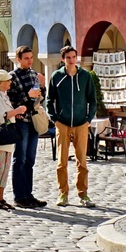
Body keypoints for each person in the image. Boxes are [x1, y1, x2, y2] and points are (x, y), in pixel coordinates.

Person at [47, 46, 97, 207]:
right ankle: (63, 193)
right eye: (68, 57)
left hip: (81, 123)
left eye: (73, 57)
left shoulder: (85, 76)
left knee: (82, 161)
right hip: (62, 123)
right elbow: (49, 100)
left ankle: (83, 194)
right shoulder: (56, 76)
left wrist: (88, 119)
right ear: (63, 59)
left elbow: (92, 99)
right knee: (62, 161)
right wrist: (54, 119)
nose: (71, 60)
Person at [5, 45, 47, 209]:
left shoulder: (34, 74)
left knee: (30, 160)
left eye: (31, 58)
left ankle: (28, 194)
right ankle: (19, 196)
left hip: (33, 121)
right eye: (26, 58)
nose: (30, 61)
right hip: (21, 122)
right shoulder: (12, 77)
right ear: (18, 59)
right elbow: (10, 101)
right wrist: (27, 96)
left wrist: (42, 88)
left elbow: (40, 100)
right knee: (20, 159)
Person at [0, 69, 28, 211]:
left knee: (3, 170)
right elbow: (1, 116)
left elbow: (7, 114)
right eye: (7, 80)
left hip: (4, 140)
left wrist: (15, 115)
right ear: (0, 83)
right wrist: (18, 111)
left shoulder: (3, 95)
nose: (10, 82)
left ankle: (0, 198)